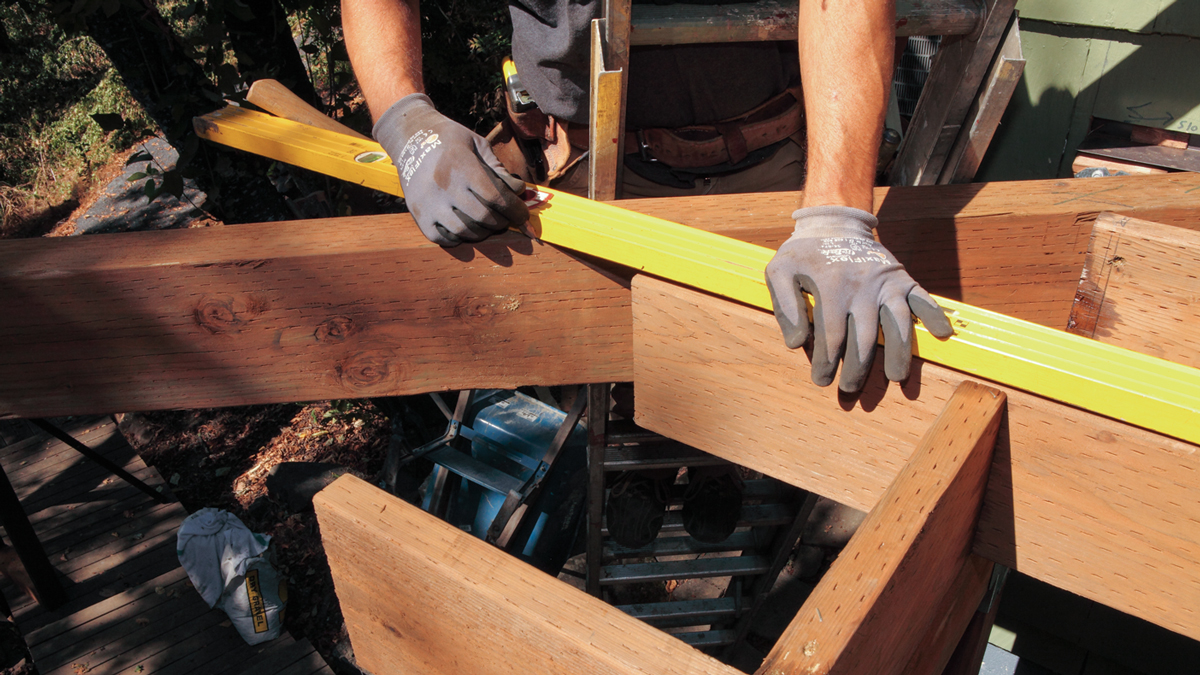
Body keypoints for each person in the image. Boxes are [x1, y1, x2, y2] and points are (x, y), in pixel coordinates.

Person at [342, 0, 953, 546]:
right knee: (636, 344)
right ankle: (651, 471)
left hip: (771, 144)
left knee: (757, 340)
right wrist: (405, 120)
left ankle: (720, 464)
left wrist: (839, 214)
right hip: (596, 162)